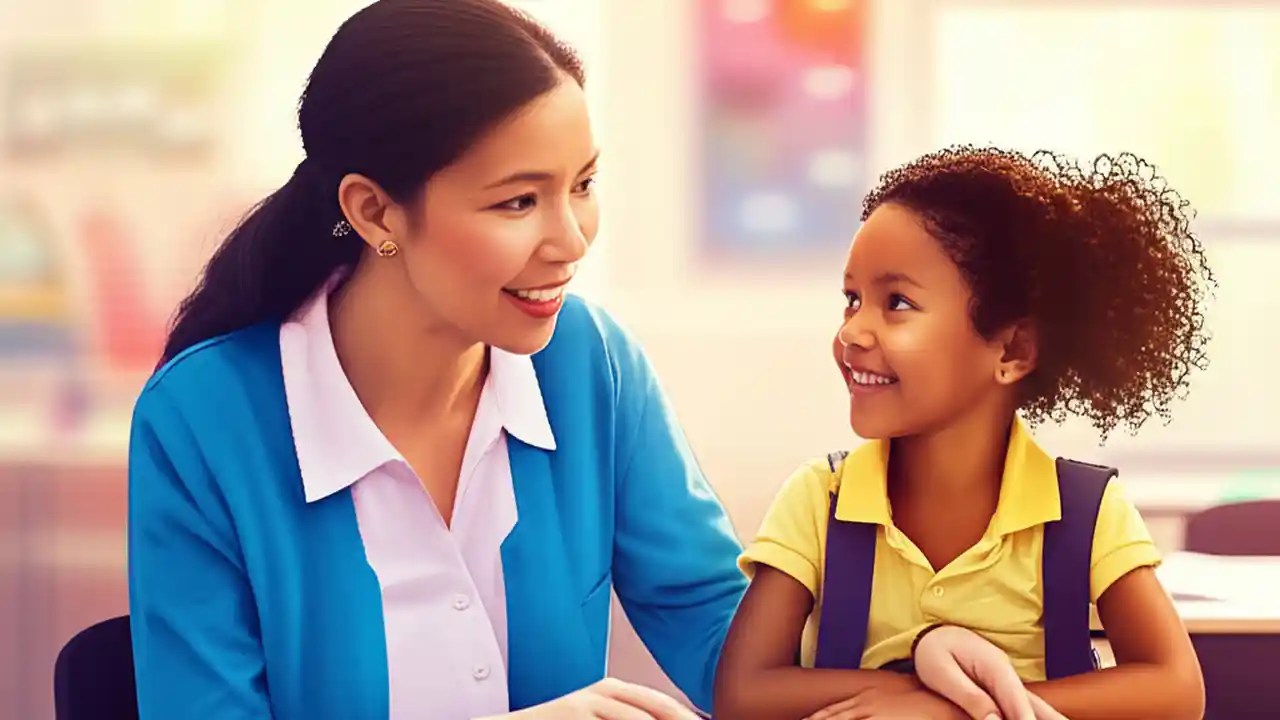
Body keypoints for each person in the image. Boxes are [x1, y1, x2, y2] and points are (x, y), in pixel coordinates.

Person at [126, 2, 748, 718]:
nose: (572, 241)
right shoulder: (204, 422)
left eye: (581, 186)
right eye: (518, 201)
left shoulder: (588, 363)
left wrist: (896, 667)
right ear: (376, 213)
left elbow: (717, 621)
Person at [714, 146, 1212, 720]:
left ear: (1012, 350)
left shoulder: (1084, 511)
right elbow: (742, 696)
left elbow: (1176, 691)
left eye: (896, 303)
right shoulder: (818, 501)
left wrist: (961, 712)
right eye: (852, 300)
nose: (852, 331)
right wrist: (918, 694)